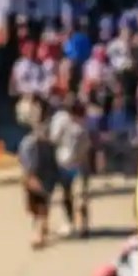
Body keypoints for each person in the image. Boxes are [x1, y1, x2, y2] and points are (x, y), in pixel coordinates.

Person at [51, 97, 92, 238]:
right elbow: (54, 138)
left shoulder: (86, 122)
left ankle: (82, 226)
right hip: (63, 162)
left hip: (80, 164)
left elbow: (90, 143)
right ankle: (69, 223)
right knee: (66, 195)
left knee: (81, 196)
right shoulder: (61, 120)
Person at [18, 117, 60, 249]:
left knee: (42, 206)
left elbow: (54, 163)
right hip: (33, 177)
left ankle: (39, 235)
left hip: (45, 178)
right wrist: (28, 178)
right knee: (34, 209)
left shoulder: (50, 145)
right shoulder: (28, 144)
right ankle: (42, 229)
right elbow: (24, 162)